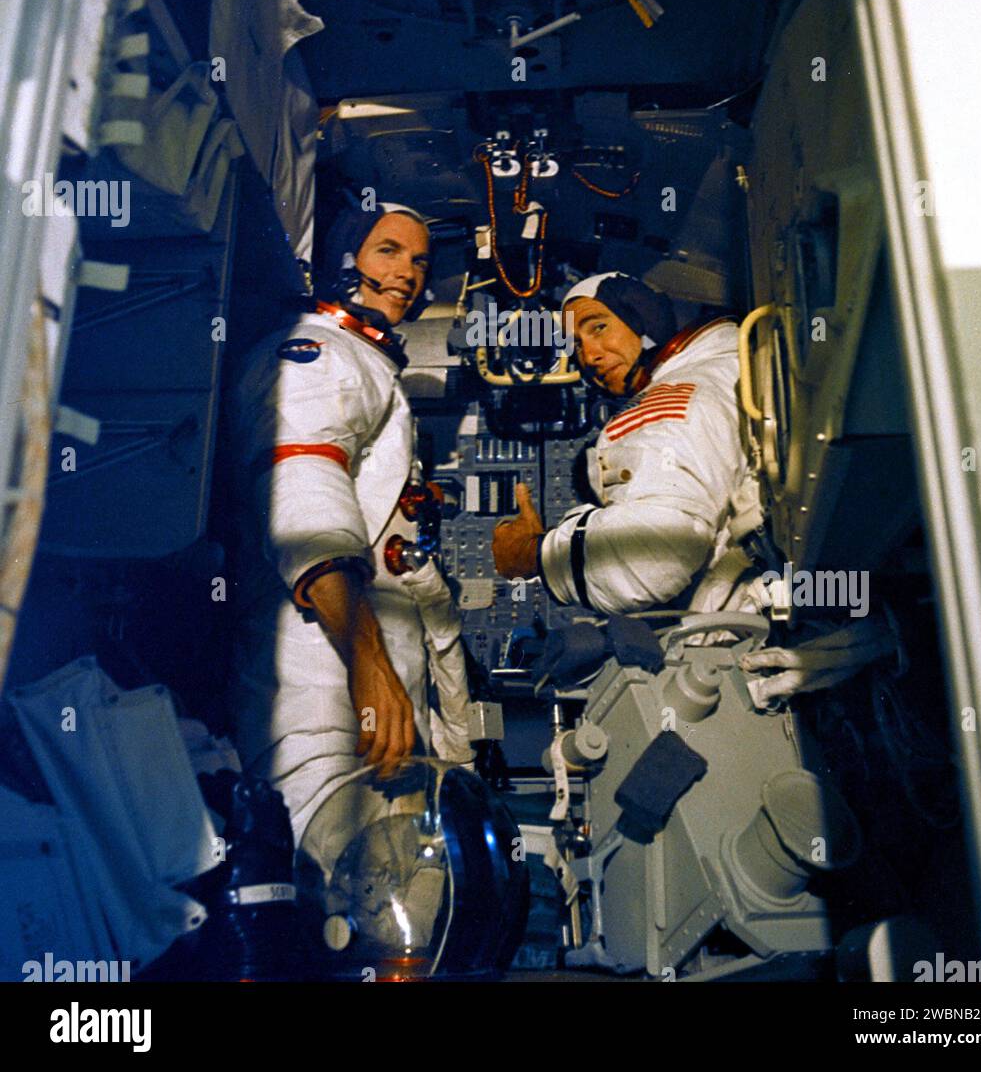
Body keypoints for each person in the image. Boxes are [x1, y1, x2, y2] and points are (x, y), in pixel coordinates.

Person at [492, 271, 893, 704]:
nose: (588, 355)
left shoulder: (673, 399)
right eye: (576, 345)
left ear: (642, 315)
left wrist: (537, 554)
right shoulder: (727, 360)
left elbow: (656, 553)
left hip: (755, 644)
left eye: (599, 327)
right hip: (811, 608)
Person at [228, 202, 473, 877]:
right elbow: (305, 506)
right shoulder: (317, 356)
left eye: (420, 262)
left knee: (383, 903)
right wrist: (368, 666)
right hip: (320, 687)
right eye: (388, 251)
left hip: (361, 687)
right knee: (325, 896)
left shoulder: (359, 362)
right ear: (342, 263)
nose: (409, 275)